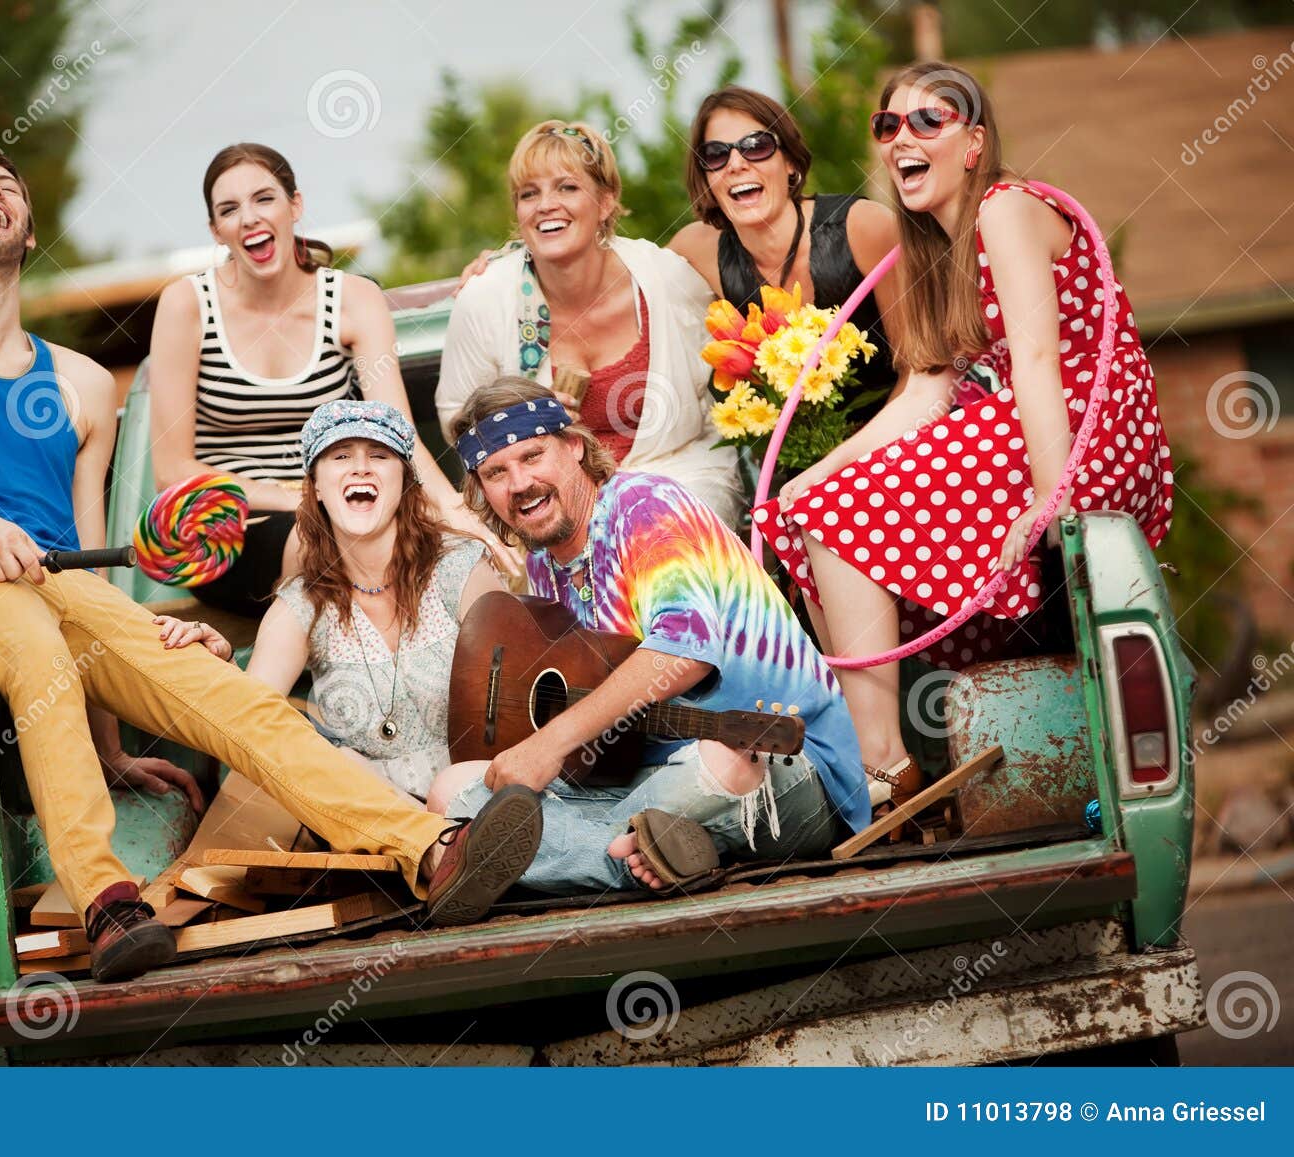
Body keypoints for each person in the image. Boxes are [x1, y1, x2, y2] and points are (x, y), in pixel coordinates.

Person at [0, 150, 543, 984]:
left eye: (7, 187)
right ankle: (106, 898)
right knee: (26, 633)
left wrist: (109, 744)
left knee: (226, 691)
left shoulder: (84, 382)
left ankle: (429, 845)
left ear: (26, 233)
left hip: (54, 585)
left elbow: (89, 583)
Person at [755, 62, 1173, 794]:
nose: (900, 138)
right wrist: (807, 481)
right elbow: (927, 393)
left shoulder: (1004, 209)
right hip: (1027, 423)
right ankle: (878, 757)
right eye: (888, 126)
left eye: (927, 122)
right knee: (803, 512)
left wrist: (1052, 500)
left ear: (975, 143)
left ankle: (881, 767)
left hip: (1082, 432)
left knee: (836, 516)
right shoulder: (941, 250)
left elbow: (1039, 359)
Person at [429, 377, 868, 895]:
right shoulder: (544, 565)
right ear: (482, 491)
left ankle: (583, 859)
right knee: (452, 788)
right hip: (645, 785)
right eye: (495, 473)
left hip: (783, 770)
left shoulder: (646, 508)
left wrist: (549, 745)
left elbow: (684, 655)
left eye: (532, 456)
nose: (519, 483)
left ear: (573, 448)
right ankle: (650, 853)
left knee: (719, 761)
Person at [147, 142, 514, 617]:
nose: (249, 218)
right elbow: (173, 471)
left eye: (264, 198)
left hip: (346, 510)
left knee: (452, 551)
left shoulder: (354, 298)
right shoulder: (186, 305)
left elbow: (397, 430)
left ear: (294, 205)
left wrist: (454, 511)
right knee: (338, 544)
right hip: (229, 530)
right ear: (217, 231)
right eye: (229, 209)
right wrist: (293, 496)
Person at [155, 399, 504, 802]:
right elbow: (249, 722)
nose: (360, 467)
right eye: (340, 456)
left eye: (379, 454)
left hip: (483, 792)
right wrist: (221, 663)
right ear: (316, 487)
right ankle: (427, 852)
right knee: (331, 755)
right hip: (373, 816)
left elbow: (525, 690)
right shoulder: (300, 604)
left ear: (407, 481)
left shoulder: (460, 568)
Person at [436, 121, 741, 523]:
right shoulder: (485, 298)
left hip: (679, 483)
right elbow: (458, 422)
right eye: (530, 193)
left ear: (607, 200)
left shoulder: (669, 280)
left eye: (567, 187)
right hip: (547, 505)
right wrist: (524, 418)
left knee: (654, 536)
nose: (546, 204)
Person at [669, 85, 902, 433]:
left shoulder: (864, 226)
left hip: (898, 438)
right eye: (716, 155)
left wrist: (848, 462)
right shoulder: (694, 250)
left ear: (790, 162)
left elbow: (922, 369)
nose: (735, 164)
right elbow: (627, 296)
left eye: (756, 146)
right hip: (790, 462)